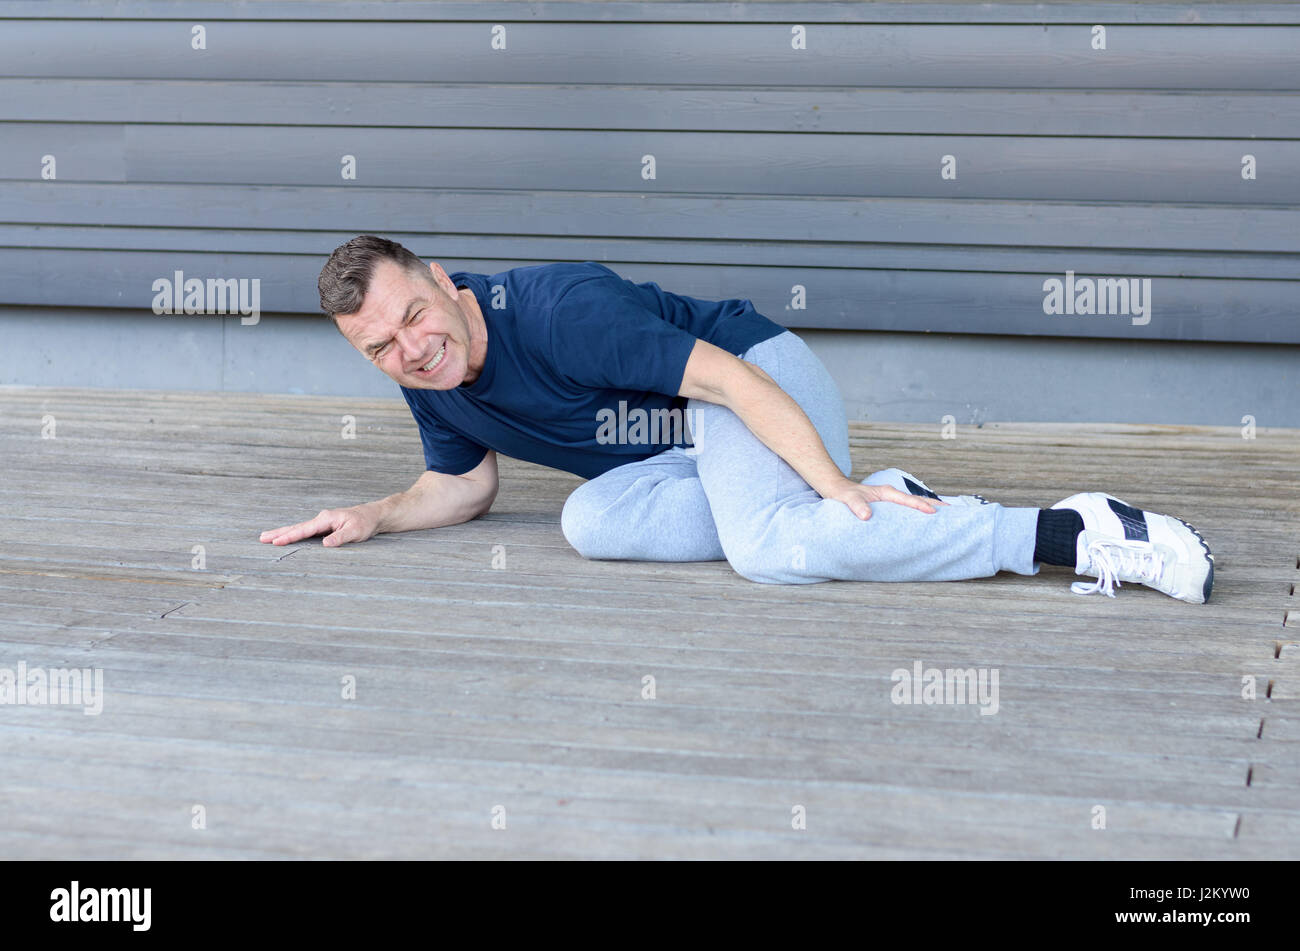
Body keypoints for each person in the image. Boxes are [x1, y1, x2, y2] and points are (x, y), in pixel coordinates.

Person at [260, 235, 1214, 604]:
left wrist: (830, 480)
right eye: (379, 347)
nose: (410, 351)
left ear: (442, 279)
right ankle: (884, 506)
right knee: (586, 522)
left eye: (414, 319)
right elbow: (464, 485)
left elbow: (728, 384)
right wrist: (374, 513)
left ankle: (1075, 531)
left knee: (767, 548)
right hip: (688, 453)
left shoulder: (556, 313)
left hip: (756, 380)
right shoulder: (424, 370)